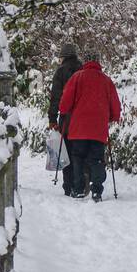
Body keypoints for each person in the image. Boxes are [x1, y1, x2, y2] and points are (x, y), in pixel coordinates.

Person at [57, 51, 122, 201]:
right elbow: (115, 107)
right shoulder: (106, 81)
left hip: (78, 129)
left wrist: (65, 111)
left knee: (78, 158)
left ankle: (79, 189)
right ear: (98, 61)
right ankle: (96, 190)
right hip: (98, 129)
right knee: (97, 158)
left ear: (85, 61)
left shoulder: (76, 78)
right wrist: (112, 117)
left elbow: (64, 104)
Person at [47, 42, 83, 196]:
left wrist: (52, 118)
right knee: (80, 152)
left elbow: (55, 97)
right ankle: (80, 183)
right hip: (82, 118)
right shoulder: (83, 70)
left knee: (66, 151)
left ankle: (68, 186)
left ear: (63, 57)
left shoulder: (60, 72)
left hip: (66, 118)